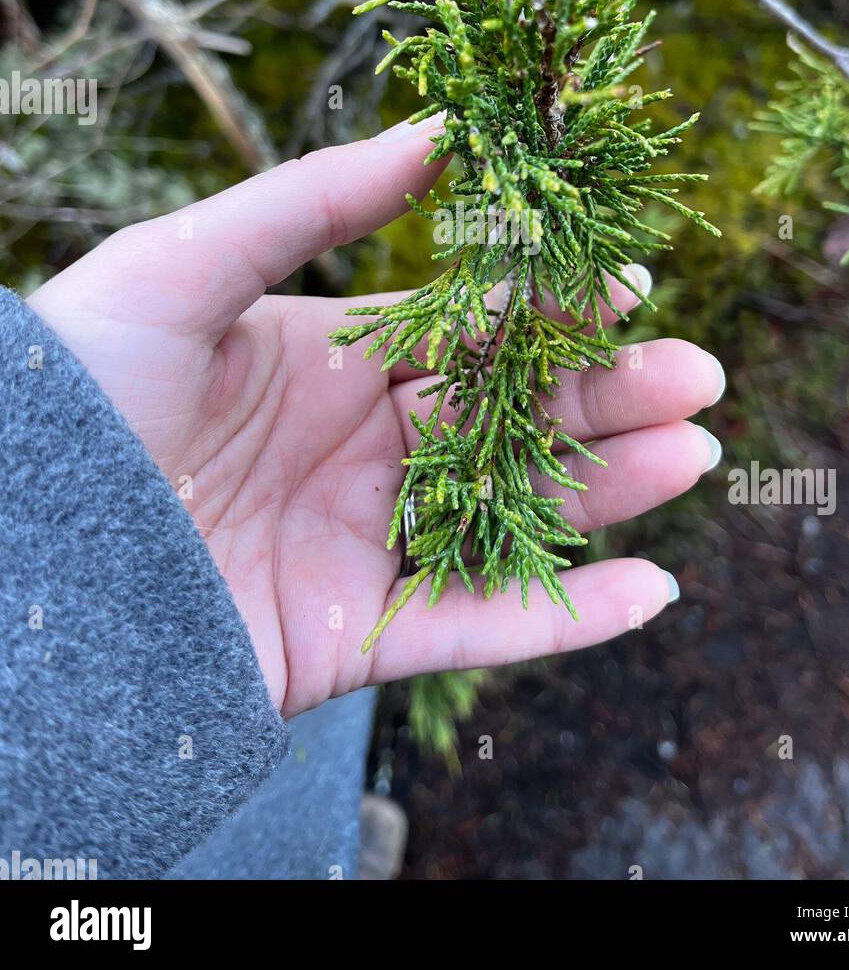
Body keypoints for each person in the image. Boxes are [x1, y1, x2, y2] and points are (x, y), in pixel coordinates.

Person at [0, 112, 724, 880]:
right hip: (132, 792)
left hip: (174, 728)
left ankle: (335, 849)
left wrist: (56, 451)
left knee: (307, 784)